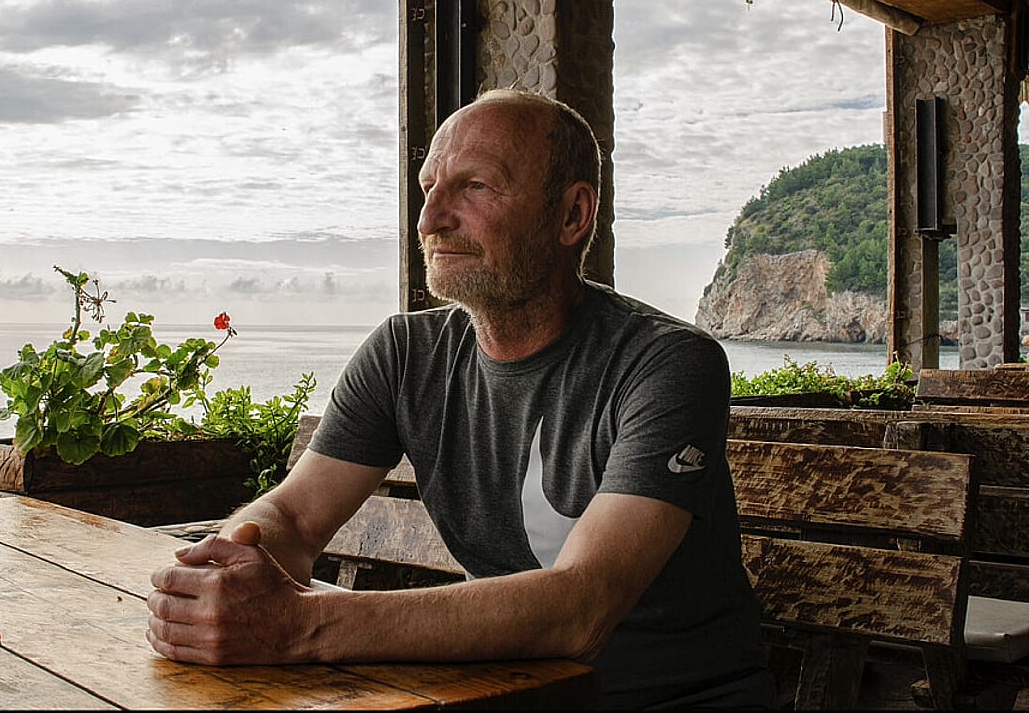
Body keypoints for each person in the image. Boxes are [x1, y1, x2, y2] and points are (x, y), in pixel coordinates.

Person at [147, 88, 774, 709]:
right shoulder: (404, 354)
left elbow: (581, 608)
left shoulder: (665, 363)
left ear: (571, 216)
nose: (431, 220)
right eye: (428, 189)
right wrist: (227, 578)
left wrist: (300, 625)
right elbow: (292, 518)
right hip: (494, 694)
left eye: (475, 187)